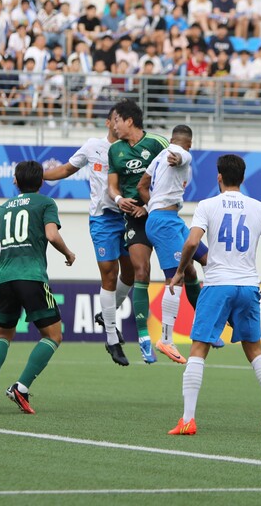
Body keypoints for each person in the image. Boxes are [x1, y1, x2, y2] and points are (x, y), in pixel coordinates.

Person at [167, 154, 261, 436]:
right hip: (247, 286)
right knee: (255, 350)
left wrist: (181, 271)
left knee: (198, 350)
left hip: (218, 285)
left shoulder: (207, 205)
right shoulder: (259, 208)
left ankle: (187, 420)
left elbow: (193, 241)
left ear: (219, 177)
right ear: (242, 178)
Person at [0, 161, 75, 415]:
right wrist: (69, 253)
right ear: (41, 182)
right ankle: (21, 387)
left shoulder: (2, 209)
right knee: (53, 336)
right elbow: (52, 235)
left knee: (3, 335)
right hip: (32, 277)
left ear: (16, 182)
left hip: (5, 279)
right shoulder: (46, 204)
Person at [42, 107, 133, 365]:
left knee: (132, 273)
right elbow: (65, 170)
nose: (118, 123)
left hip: (128, 217)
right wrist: (38, 174)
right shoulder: (93, 146)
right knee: (109, 273)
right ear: (108, 122)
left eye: (122, 119)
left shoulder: (132, 149)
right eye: (115, 118)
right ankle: (112, 338)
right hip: (102, 218)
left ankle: (108, 314)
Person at [137, 125, 213, 365]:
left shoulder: (159, 156)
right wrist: (179, 156)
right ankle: (166, 340)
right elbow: (180, 155)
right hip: (164, 224)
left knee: (206, 260)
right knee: (176, 278)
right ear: (189, 143)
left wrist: (152, 206)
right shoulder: (182, 154)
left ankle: (207, 321)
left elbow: (142, 185)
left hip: (171, 219)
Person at [107, 99, 170, 364]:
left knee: (185, 270)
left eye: (116, 120)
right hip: (133, 218)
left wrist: (152, 206)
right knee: (141, 270)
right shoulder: (115, 150)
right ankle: (144, 339)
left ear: (128, 120)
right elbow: (113, 186)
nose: (113, 125)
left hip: (160, 214)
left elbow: (178, 178)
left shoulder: (158, 143)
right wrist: (119, 199)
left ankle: (210, 327)